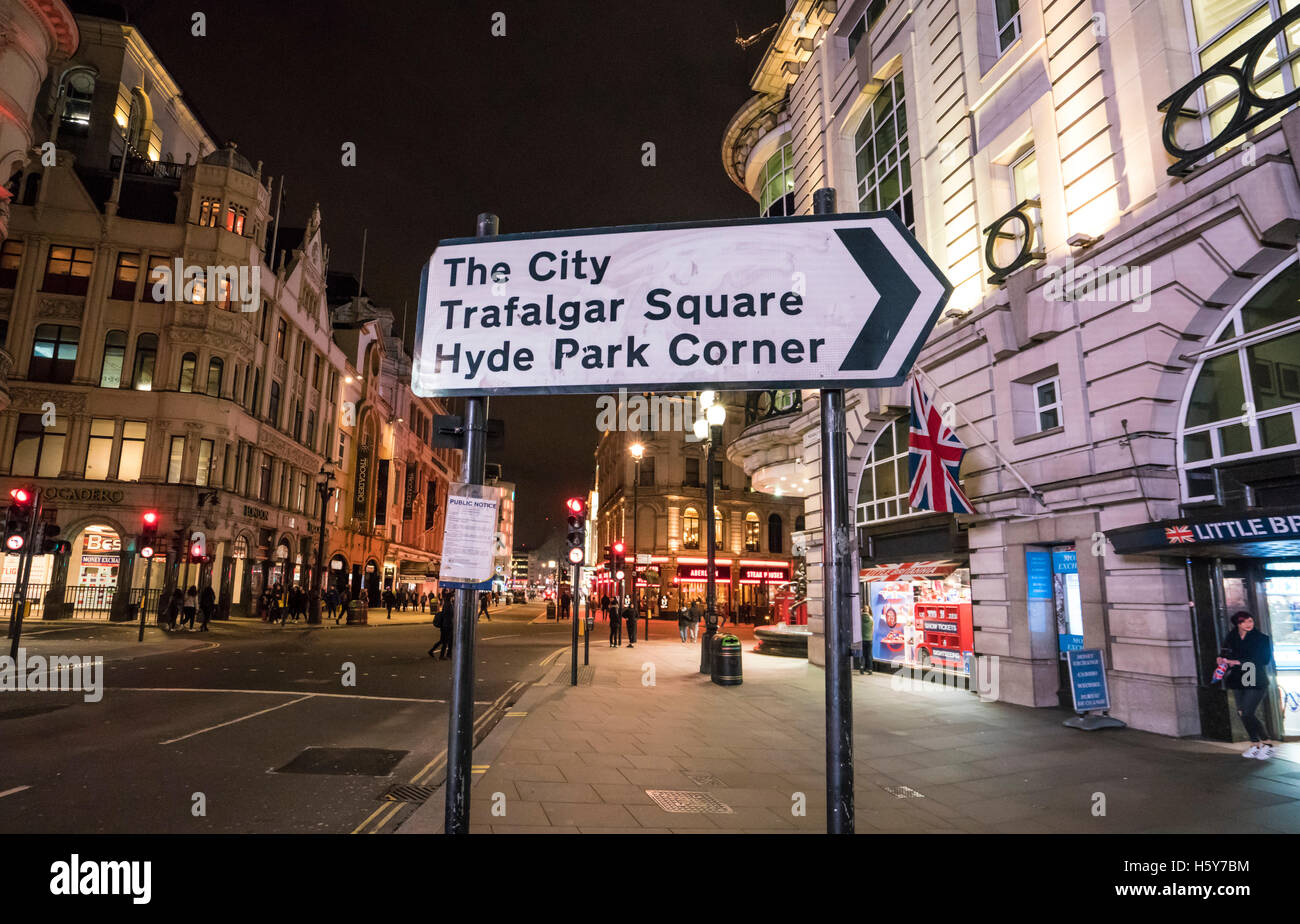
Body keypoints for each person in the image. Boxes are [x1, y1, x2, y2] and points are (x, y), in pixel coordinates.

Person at [1221, 611, 1276, 759]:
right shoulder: (1232, 636)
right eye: (1244, 622)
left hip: (1254, 676)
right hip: (1238, 677)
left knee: (1247, 712)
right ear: (1237, 624)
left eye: (1250, 621)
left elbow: (1264, 660)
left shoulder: (1261, 638)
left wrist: (1239, 662)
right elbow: (1226, 653)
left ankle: (1268, 744)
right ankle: (1255, 744)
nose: (1248, 624)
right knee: (1241, 712)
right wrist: (1222, 659)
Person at [431, 592, 455, 659]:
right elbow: (449, 615)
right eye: (452, 597)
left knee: (446, 641)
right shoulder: (448, 605)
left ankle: (448, 654)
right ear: (450, 597)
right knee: (446, 641)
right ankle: (443, 655)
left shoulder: (447, 604)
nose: (453, 598)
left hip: (446, 625)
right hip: (448, 625)